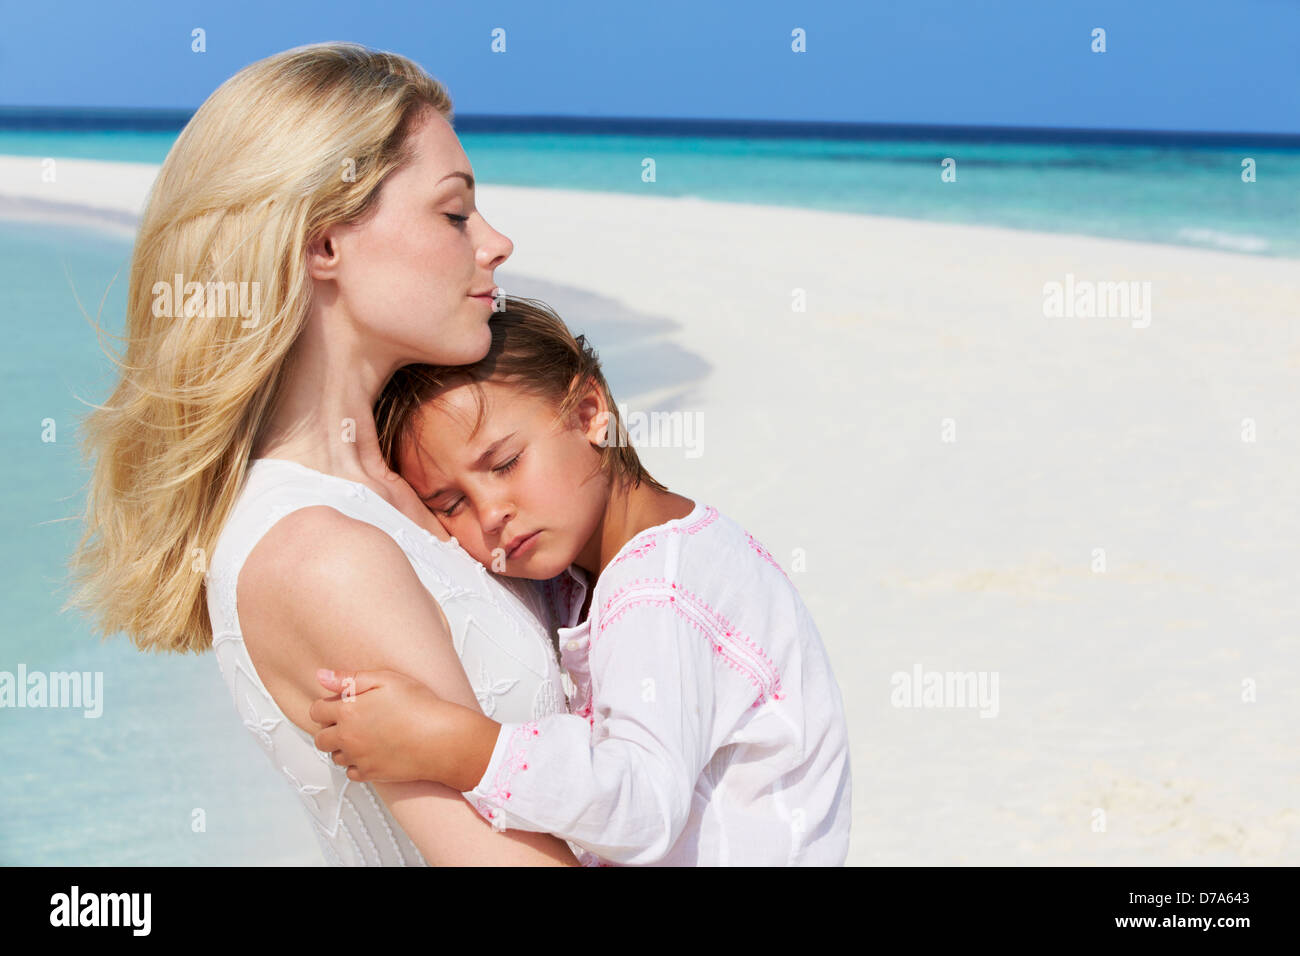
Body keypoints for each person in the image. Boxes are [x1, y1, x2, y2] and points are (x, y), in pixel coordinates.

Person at [66, 42, 583, 865]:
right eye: (454, 214)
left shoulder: (412, 486)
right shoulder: (320, 554)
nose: (496, 242)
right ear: (321, 245)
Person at [309, 298, 853, 865]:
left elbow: (644, 810)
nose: (491, 512)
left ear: (590, 412)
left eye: (504, 464)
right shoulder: (617, 559)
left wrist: (453, 744)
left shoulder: (659, 592)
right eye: (451, 504)